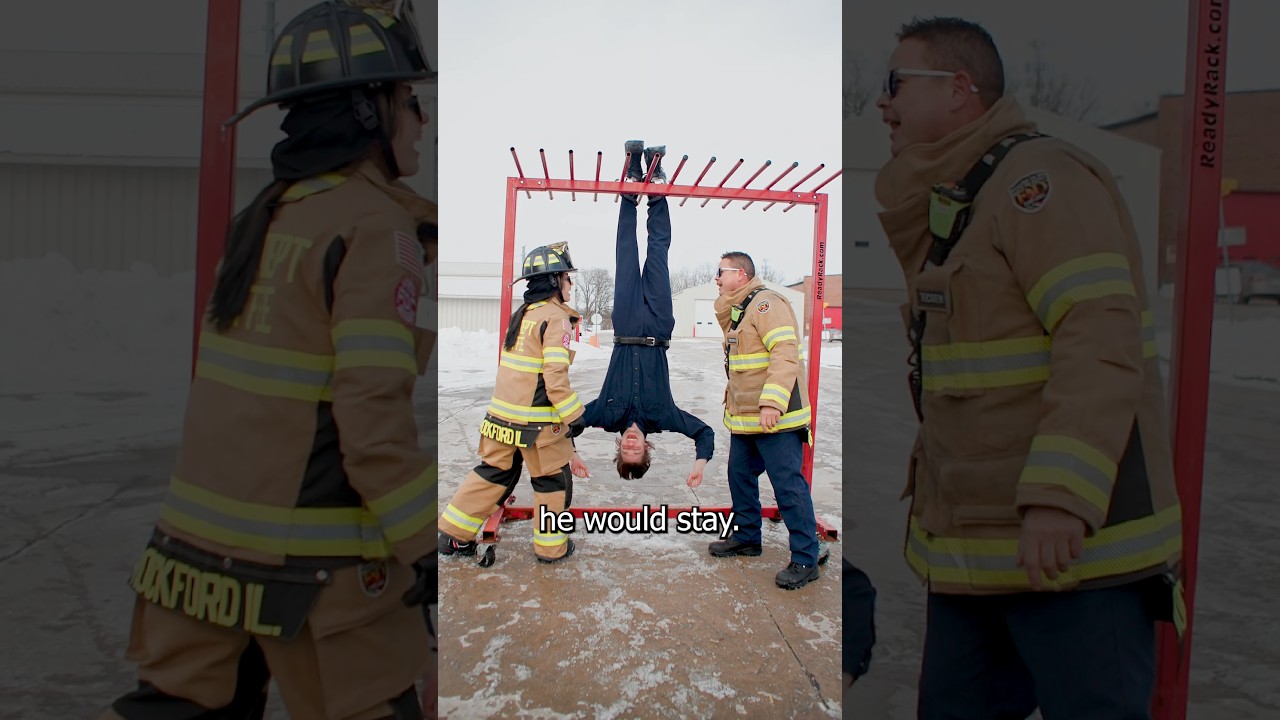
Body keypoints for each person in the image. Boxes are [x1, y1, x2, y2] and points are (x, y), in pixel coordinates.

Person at [98, 2, 439, 719]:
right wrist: (430, 546)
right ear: (366, 109)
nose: (422, 119)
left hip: (192, 570)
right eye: (410, 99)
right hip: (316, 577)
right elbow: (371, 421)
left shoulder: (267, 214)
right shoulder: (374, 228)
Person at [873, 17, 1182, 719]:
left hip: (1073, 560)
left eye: (895, 83)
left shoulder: (1038, 184)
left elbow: (1099, 339)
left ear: (959, 89)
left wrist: (1060, 497)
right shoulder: (962, 198)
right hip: (975, 556)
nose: (882, 104)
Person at [569, 140, 715, 486]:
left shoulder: (603, 414)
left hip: (627, 324)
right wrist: (699, 464)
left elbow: (564, 427)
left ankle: (633, 179)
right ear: (647, 447)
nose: (632, 445)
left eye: (626, 450)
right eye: (638, 451)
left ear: (619, 447)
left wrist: (572, 453)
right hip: (660, 328)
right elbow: (704, 432)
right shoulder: (664, 417)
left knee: (626, 249)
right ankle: (658, 189)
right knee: (658, 252)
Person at [437, 243, 587, 563]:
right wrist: (575, 416)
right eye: (567, 278)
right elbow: (555, 377)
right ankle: (551, 548)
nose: (571, 284)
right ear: (554, 281)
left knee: (493, 473)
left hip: (500, 421)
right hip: (536, 425)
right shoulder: (556, 318)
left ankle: (452, 535)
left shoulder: (523, 315)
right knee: (552, 481)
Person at [707, 251, 821, 589]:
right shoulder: (741, 311)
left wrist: (773, 402)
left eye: (720, 271)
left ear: (740, 274)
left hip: (775, 419)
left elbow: (785, 354)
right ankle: (747, 537)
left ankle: (805, 557)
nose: (716, 278)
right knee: (739, 476)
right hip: (746, 419)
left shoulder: (767, 304)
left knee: (787, 487)